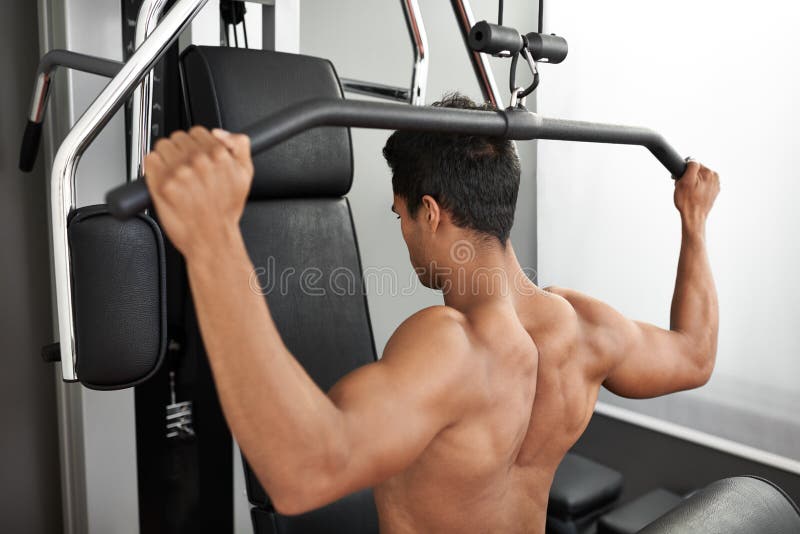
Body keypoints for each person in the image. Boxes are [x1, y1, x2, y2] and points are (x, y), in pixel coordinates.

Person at [143, 94, 720, 533]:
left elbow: (300, 476)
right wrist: (693, 223)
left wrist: (213, 236)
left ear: (432, 212)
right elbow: (694, 356)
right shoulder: (586, 327)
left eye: (400, 217)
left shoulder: (452, 345)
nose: (404, 235)